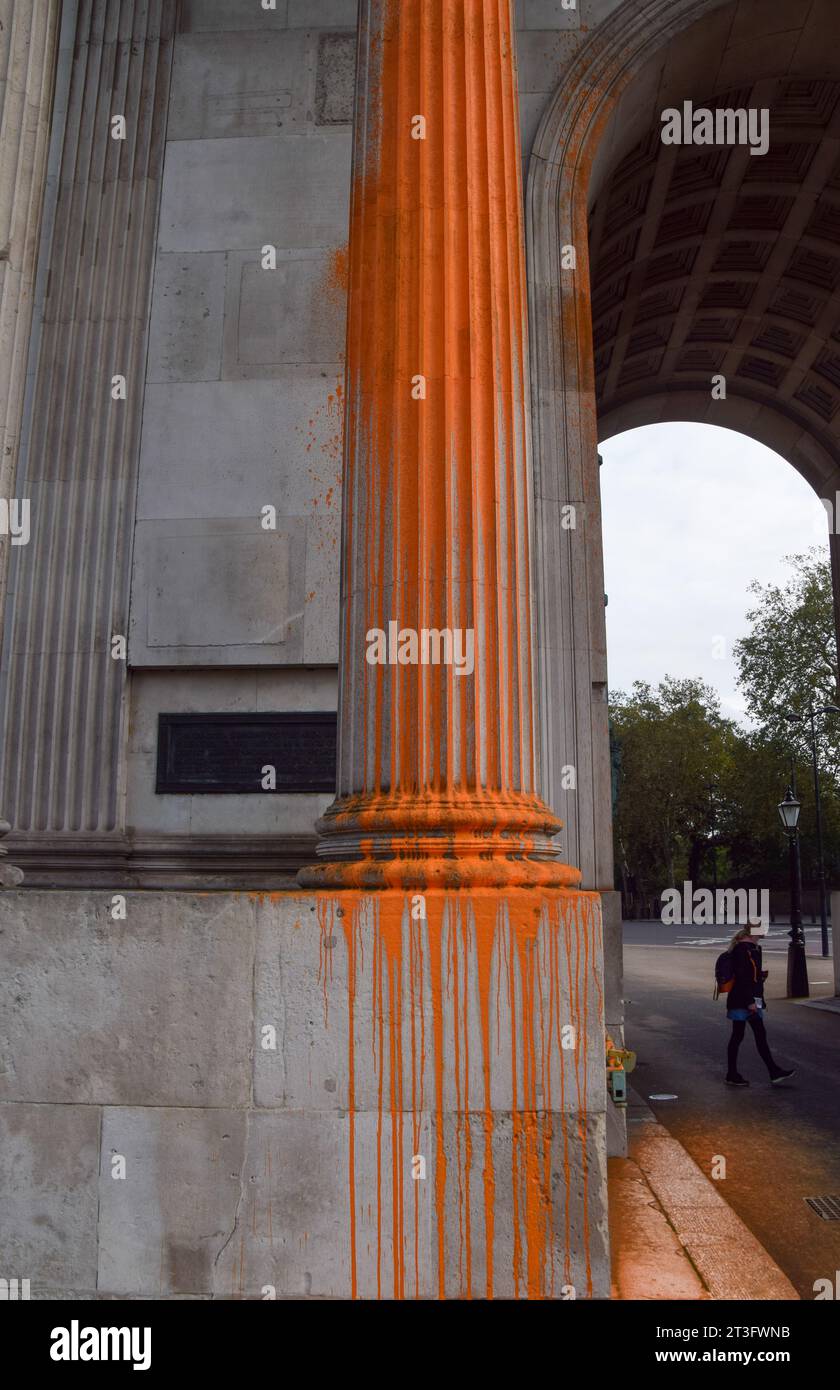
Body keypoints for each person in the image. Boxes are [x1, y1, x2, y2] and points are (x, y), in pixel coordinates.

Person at [724, 921, 796, 1087]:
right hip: (744, 1001)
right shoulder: (743, 950)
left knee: (742, 1036)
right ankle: (768, 1072)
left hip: (745, 999)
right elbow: (742, 978)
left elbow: (749, 975)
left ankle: (737, 1073)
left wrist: (759, 977)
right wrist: (750, 1002)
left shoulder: (752, 948)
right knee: (749, 1036)